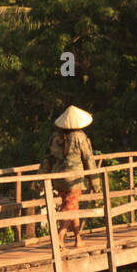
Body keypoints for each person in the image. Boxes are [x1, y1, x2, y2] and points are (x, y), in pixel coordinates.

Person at [40, 105, 98, 246]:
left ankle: (78, 239)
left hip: (58, 178)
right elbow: (88, 159)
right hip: (75, 179)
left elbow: (47, 158)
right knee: (70, 206)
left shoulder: (55, 137)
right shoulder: (80, 137)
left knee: (72, 205)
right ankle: (59, 237)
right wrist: (95, 182)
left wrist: (41, 178)